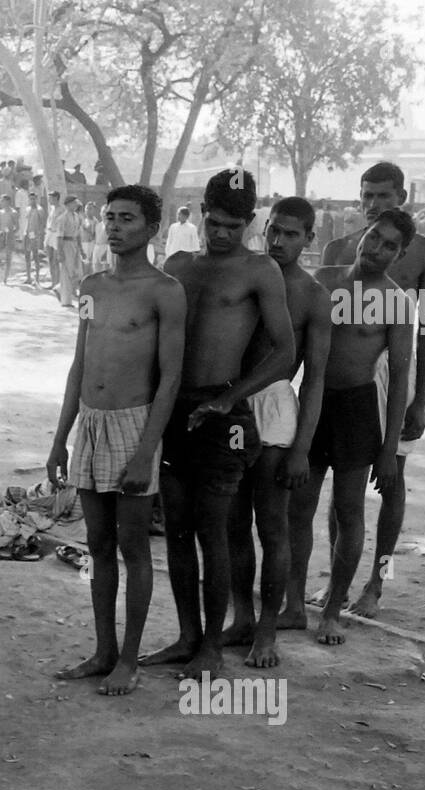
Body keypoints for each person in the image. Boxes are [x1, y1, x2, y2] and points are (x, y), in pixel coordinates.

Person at [137, 168, 294, 680]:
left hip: (224, 412)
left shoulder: (259, 270)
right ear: (200, 213)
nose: (221, 232)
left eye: (232, 224)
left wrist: (233, 396)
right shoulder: (180, 264)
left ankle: (211, 646)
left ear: (250, 222)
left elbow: (284, 349)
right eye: (214, 221)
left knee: (215, 532)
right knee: (177, 530)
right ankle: (186, 637)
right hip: (176, 408)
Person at [48, 185, 185, 696]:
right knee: (97, 545)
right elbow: (79, 364)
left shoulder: (164, 291)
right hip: (90, 421)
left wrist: (147, 450)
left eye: (127, 218)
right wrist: (60, 437)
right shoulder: (91, 286)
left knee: (133, 548)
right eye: (109, 216)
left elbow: (169, 377)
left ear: (152, 228)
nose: (114, 225)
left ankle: (128, 659)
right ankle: (103, 650)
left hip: (134, 426)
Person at [320, 161, 425, 620]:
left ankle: (376, 582)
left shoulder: (423, 252)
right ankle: (337, 586)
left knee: (392, 478)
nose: (373, 206)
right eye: (367, 196)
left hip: (396, 373)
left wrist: (420, 398)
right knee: (342, 486)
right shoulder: (338, 249)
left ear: (401, 198)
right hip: (346, 381)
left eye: (383, 197)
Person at [290, 210, 415, 645]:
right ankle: (292, 602)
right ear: (363, 234)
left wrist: (389, 447)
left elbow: (399, 378)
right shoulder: (323, 278)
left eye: (389, 246)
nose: (376, 249)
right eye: (374, 238)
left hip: (357, 408)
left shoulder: (398, 301)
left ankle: (331, 611)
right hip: (312, 402)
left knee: (349, 510)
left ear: (400, 254)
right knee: (299, 505)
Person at [226, 197, 332, 666]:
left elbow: (316, 379)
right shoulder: (246, 273)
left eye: (292, 234)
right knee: (232, 524)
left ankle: (267, 631)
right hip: (232, 405)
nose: (279, 240)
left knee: (272, 526)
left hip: (275, 411)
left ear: (310, 238)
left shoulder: (312, 295)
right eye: (274, 230)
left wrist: (301, 449)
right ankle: (242, 618)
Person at [57, 195, 84, 307]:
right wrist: (60, 252)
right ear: (68, 204)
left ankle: (59, 288)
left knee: (77, 272)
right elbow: (59, 236)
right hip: (66, 244)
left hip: (75, 244)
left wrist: (80, 248)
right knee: (67, 271)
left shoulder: (77, 216)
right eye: (73, 203)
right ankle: (66, 300)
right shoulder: (62, 218)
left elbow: (78, 234)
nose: (76, 204)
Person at [0, 193, 18, 284]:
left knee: (8, 257)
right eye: (0, 200)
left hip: (10, 236)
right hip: (1, 236)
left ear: (7, 201)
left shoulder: (13, 213)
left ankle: (5, 279)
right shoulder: (0, 212)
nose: (1, 202)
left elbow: (17, 226)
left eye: (2, 200)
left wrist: (11, 233)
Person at [21, 190, 45, 285]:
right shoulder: (27, 209)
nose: (32, 200)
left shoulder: (39, 210)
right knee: (27, 255)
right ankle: (28, 277)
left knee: (35, 256)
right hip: (27, 233)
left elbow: (42, 223)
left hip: (35, 234)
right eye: (30, 199)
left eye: (34, 199)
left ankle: (37, 278)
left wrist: (39, 235)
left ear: (36, 199)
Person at [45, 190, 63, 288]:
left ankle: (57, 283)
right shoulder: (52, 208)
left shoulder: (61, 210)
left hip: (56, 234)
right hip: (50, 233)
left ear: (56, 198)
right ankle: (53, 282)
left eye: (51, 198)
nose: (49, 200)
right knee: (50, 259)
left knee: (56, 260)